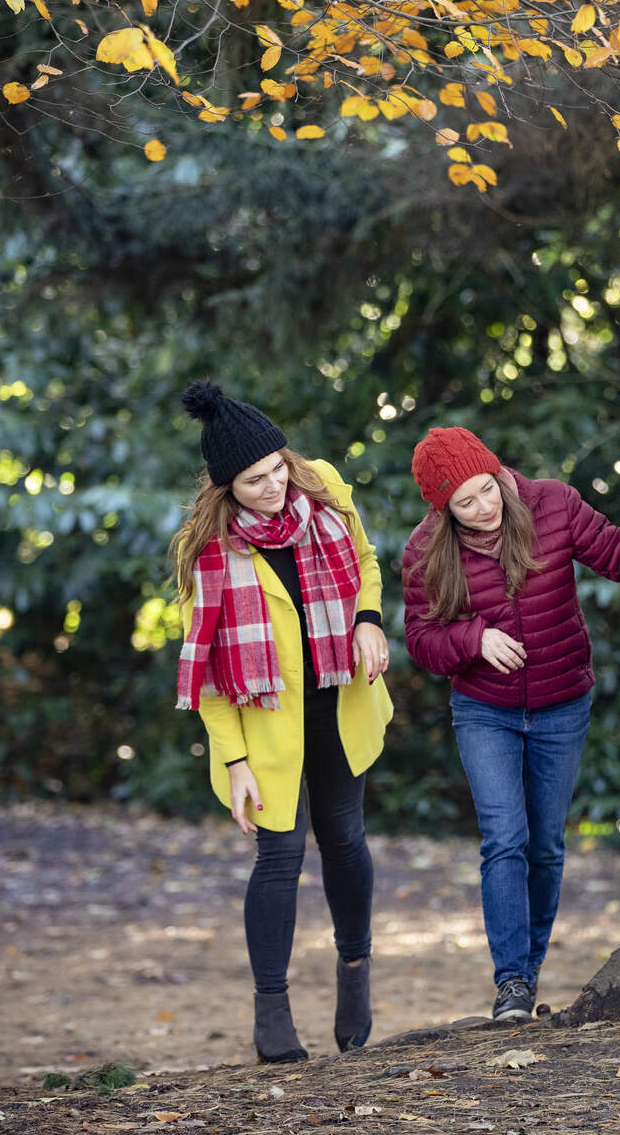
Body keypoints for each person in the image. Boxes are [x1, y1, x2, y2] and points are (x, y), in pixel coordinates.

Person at [400, 427, 620, 1022]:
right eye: (465, 503)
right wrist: (475, 639)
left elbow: (619, 553)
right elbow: (421, 641)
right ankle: (510, 984)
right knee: (504, 839)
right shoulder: (426, 550)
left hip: (561, 704)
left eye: (487, 490)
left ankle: (527, 973)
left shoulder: (552, 504)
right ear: (442, 509)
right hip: (484, 711)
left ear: (499, 473)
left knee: (546, 847)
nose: (483, 508)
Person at [170, 381, 392, 1062]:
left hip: (340, 696)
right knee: (281, 853)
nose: (271, 488)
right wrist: (233, 761)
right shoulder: (206, 549)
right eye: (252, 481)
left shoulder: (321, 487)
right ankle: (272, 1013)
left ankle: (354, 972)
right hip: (263, 720)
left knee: (344, 838)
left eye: (275, 470)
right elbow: (206, 672)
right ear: (223, 487)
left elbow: (365, 561)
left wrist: (368, 619)